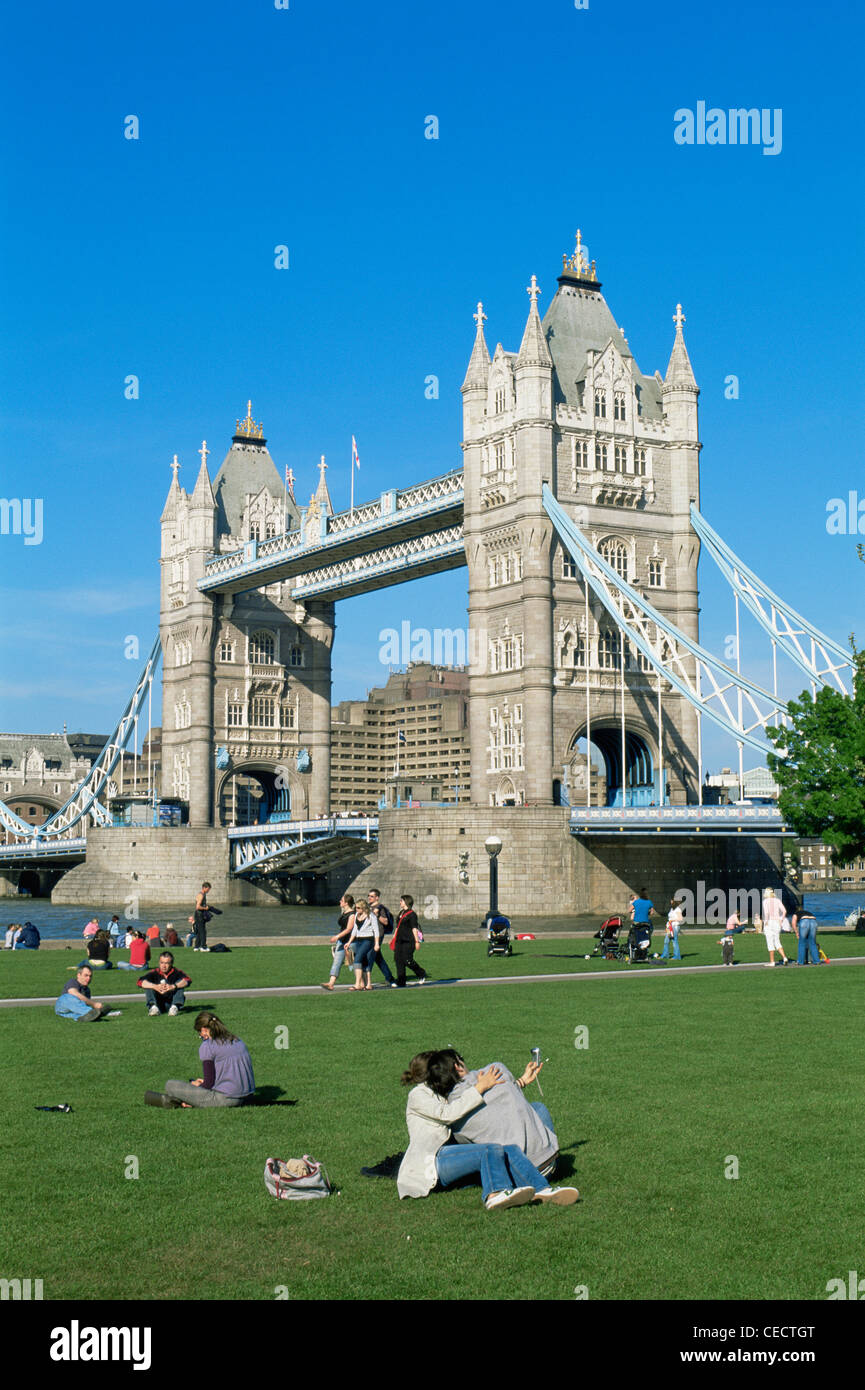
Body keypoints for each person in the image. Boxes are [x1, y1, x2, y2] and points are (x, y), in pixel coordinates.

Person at [397, 1050, 578, 1209]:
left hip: (456, 1151)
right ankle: (495, 1194)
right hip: (433, 1159)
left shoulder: (445, 1092)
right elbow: (448, 1114)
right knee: (492, 1148)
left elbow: (497, 1100)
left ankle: (543, 1190)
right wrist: (480, 1086)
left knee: (513, 1138)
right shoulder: (418, 1095)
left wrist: (520, 1082)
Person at [448, 1054, 559, 1178]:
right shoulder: (494, 1069)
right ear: (458, 1067)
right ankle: (547, 1154)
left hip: (513, 1176)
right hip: (547, 1166)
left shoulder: (450, 1108)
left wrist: (521, 1081)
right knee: (536, 1108)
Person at [162, 1011, 255, 1108]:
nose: (200, 1036)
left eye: (199, 1033)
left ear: (204, 1030)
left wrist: (197, 1087)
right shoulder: (237, 1040)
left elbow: (209, 1084)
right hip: (248, 1096)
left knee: (170, 1085)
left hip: (227, 1098)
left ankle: (184, 1102)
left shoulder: (207, 1046)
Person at [54, 966, 119, 1021]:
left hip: (68, 1012)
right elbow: (74, 993)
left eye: (90, 976)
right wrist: (94, 1004)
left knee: (79, 1015)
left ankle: (87, 1017)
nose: (88, 978)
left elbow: (83, 1005)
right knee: (70, 998)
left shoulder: (87, 990)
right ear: (78, 975)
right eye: (86, 975)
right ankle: (98, 1013)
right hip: (63, 1005)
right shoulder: (73, 982)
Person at [320, 894, 355, 990]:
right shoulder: (344, 913)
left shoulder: (352, 914)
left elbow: (349, 929)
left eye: (341, 900)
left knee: (353, 964)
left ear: (346, 903)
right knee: (337, 961)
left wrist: (337, 936)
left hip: (350, 941)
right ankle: (331, 983)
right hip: (342, 941)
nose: (340, 901)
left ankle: (361, 983)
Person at [393, 893, 428, 987]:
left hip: (409, 941)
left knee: (407, 960)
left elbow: (414, 928)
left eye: (401, 900)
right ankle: (401, 981)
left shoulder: (412, 915)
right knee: (398, 960)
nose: (400, 902)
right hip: (399, 941)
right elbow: (397, 927)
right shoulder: (401, 913)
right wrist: (393, 937)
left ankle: (421, 973)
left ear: (406, 902)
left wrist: (417, 941)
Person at [346, 898, 379, 991]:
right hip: (359, 940)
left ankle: (357, 984)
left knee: (357, 959)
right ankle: (367, 984)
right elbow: (354, 930)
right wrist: (349, 942)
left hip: (368, 940)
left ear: (363, 908)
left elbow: (376, 930)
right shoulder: (357, 915)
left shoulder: (371, 916)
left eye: (358, 908)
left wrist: (377, 944)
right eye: (356, 907)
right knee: (365, 962)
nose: (356, 909)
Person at [367, 889, 396, 986]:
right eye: (369, 896)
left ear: (377, 898)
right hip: (370, 935)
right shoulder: (369, 907)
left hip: (378, 935)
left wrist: (377, 914)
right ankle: (390, 978)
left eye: (371, 896)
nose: (369, 897)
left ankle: (366, 980)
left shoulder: (380, 908)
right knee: (378, 958)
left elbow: (385, 922)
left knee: (370, 956)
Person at [761, 887, 790, 966]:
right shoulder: (777, 900)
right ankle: (784, 957)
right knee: (777, 941)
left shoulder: (765, 901)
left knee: (770, 942)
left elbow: (767, 913)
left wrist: (765, 922)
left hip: (769, 922)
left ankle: (772, 961)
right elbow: (784, 911)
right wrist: (781, 920)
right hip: (777, 922)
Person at [191, 882, 220, 952]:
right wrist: (205, 908)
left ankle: (196, 947)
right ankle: (203, 947)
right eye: (208, 889)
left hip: (197, 914)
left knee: (199, 931)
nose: (208, 891)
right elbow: (198, 907)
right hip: (199, 914)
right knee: (203, 931)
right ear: (204, 888)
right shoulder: (201, 895)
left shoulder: (200, 894)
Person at [661, 897, 684, 962]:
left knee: (674, 941)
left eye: (672, 900)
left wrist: (672, 920)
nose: (670, 902)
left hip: (675, 927)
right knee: (666, 941)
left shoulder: (678, 909)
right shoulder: (671, 909)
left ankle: (677, 956)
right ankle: (665, 954)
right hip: (670, 927)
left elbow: (681, 919)